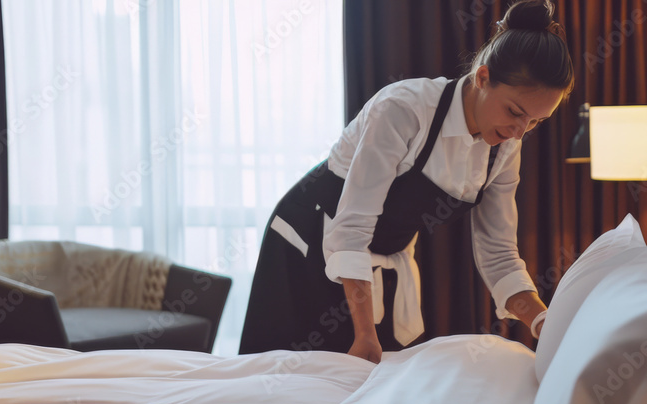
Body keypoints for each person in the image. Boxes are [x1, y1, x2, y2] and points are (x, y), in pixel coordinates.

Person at [239, 0, 574, 363]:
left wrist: (546, 322)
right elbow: (352, 229)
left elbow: (499, 256)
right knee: (295, 379)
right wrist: (365, 335)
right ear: (483, 78)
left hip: (374, 259)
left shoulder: (505, 147)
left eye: (536, 122)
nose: (519, 132)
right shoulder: (404, 110)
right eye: (515, 112)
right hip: (308, 240)